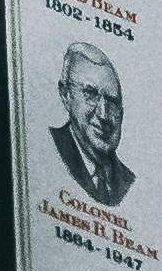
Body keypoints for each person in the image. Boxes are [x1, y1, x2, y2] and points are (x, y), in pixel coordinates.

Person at [47, 42, 134, 206]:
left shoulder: (128, 181)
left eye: (112, 101)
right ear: (66, 95)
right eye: (90, 94)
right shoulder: (46, 145)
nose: (103, 114)